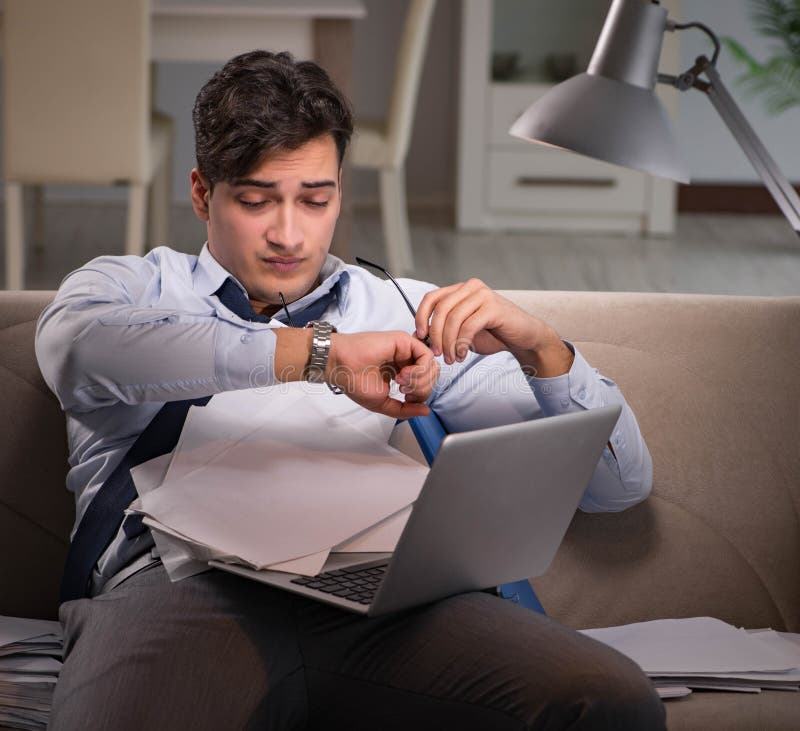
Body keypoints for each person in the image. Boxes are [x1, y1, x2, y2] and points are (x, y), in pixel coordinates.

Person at [36, 50, 663, 730]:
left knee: (608, 697)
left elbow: (616, 485)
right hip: (176, 592)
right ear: (200, 193)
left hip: (380, 602)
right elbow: (75, 353)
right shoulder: (132, 289)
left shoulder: (402, 309)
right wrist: (322, 355)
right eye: (255, 200)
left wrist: (544, 349)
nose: (288, 233)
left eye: (315, 199)